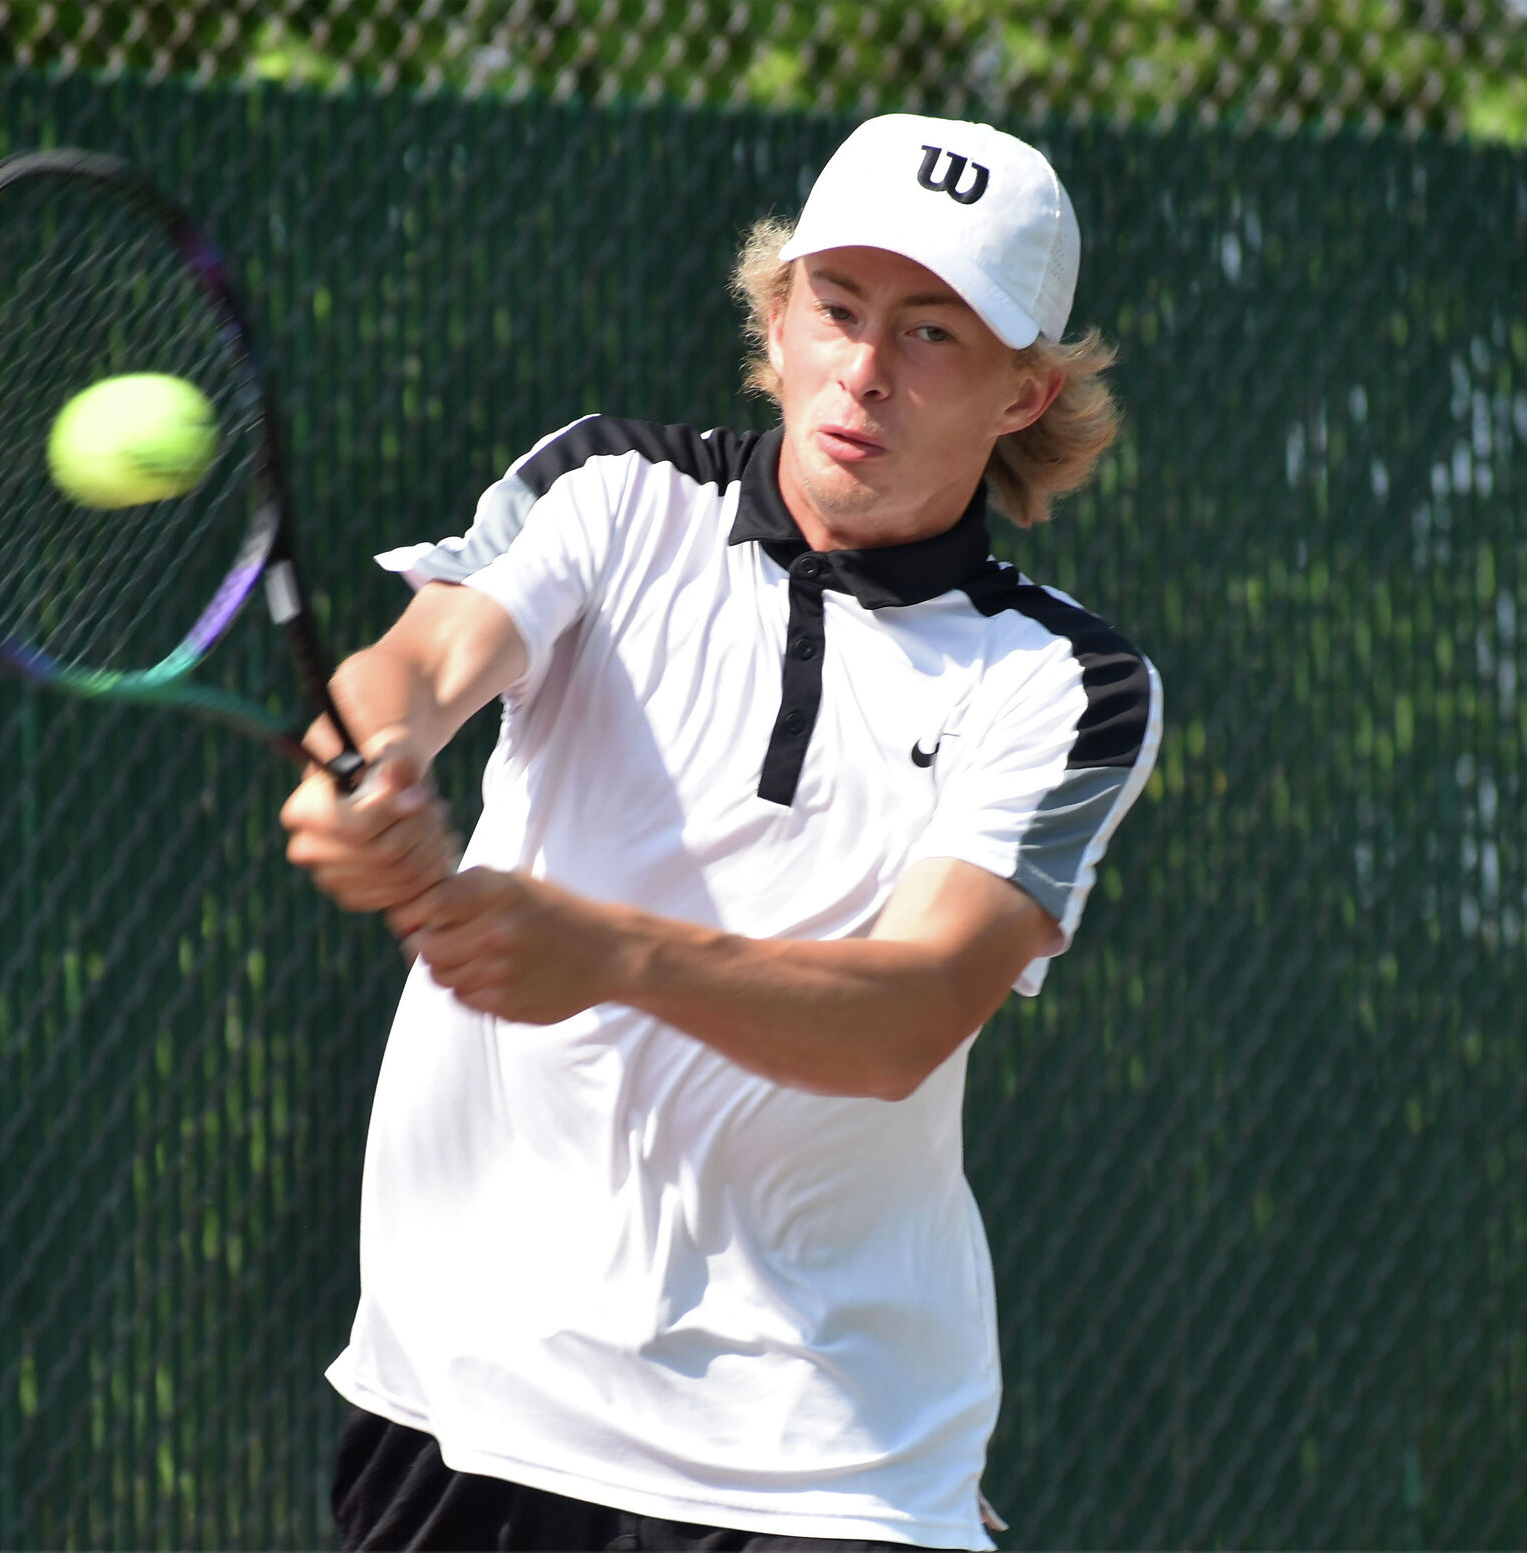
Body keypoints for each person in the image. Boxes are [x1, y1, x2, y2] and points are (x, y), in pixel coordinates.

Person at [280, 113, 1164, 1552]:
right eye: (838, 308)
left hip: (831, 1458)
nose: (865, 370)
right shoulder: (610, 490)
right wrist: (371, 759)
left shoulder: (1068, 686)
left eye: (935, 333)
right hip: (472, 1409)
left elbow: (904, 1016)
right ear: (777, 312)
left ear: (1028, 391)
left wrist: (612, 953)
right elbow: (416, 668)